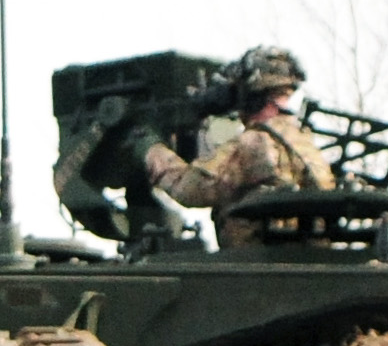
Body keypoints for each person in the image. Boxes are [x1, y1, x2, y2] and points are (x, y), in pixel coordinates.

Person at [144, 44, 336, 247]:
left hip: (257, 266)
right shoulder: (305, 143)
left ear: (250, 93)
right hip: (298, 260)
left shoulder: (252, 142)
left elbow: (190, 189)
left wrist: (150, 149)